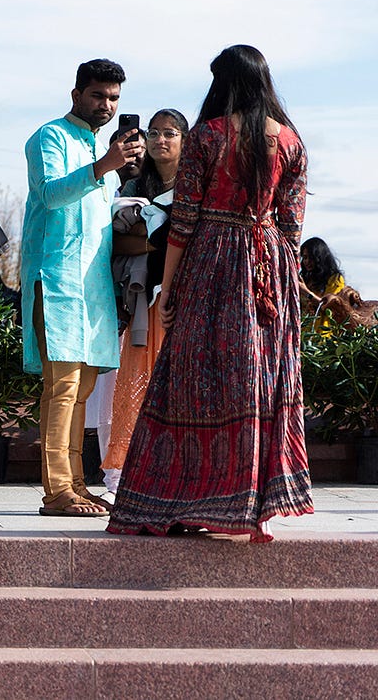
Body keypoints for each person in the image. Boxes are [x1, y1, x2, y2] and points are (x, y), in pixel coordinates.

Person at [110, 45, 311, 541]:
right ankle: (250, 504)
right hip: (271, 272)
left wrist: (168, 289)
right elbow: (292, 226)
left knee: (191, 378)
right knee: (258, 381)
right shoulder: (290, 140)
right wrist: (283, 282)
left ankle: (183, 498)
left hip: (213, 265)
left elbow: (183, 221)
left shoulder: (209, 135)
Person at [22, 58, 141, 518]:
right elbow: (50, 194)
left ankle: (75, 484)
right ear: (76, 95)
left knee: (85, 385)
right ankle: (57, 491)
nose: (106, 105)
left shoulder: (106, 154)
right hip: (54, 278)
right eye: (98, 95)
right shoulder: (49, 137)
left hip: (91, 286)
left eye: (113, 98)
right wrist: (104, 164)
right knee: (64, 386)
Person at [101, 109, 187, 495]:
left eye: (170, 132)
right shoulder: (133, 183)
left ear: (185, 139)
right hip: (141, 301)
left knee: (179, 387)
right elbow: (114, 240)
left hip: (183, 302)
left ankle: (177, 474)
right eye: (154, 132)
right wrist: (149, 238)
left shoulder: (194, 189)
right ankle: (121, 474)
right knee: (133, 383)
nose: (160, 140)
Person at [299, 238, 346, 334]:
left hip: (322, 337)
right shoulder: (305, 279)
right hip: (302, 335)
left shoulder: (335, 280)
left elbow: (328, 307)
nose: (307, 261)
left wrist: (306, 292)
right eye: (305, 257)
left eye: (311, 258)